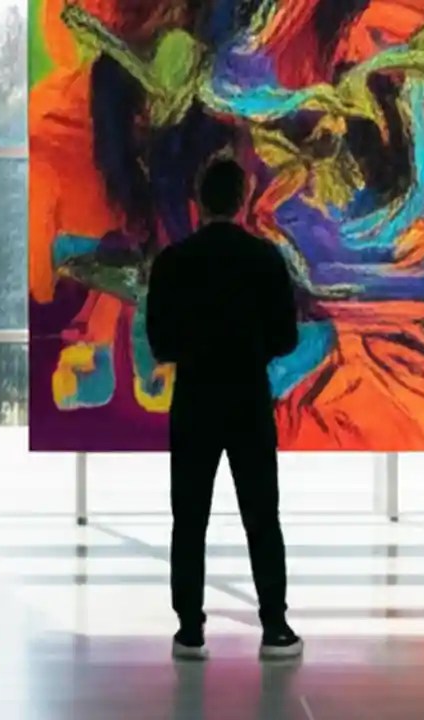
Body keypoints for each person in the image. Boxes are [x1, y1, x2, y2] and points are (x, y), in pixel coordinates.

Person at [145, 158, 303, 661]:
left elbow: (161, 344)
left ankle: (190, 631)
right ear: (243, 200)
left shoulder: (173, 262)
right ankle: (275, 628)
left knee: (189, 518)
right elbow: (286, 337)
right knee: (262, 515)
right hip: (248, 399)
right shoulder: (265, 259)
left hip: (193, 401)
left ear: (198, 200)